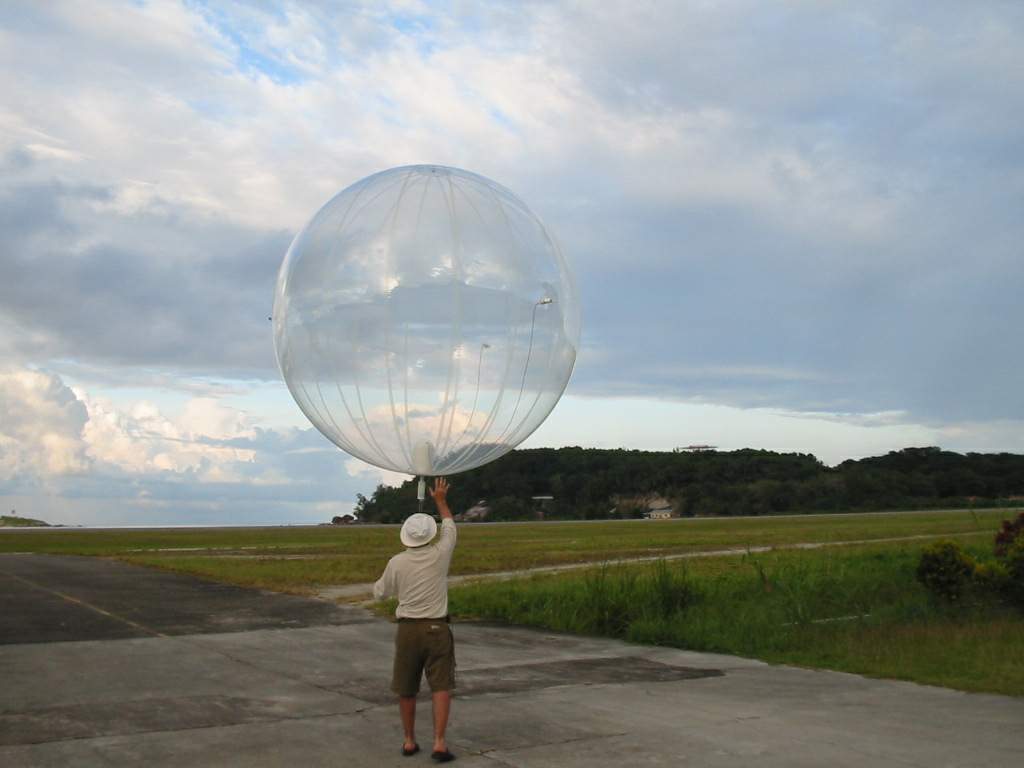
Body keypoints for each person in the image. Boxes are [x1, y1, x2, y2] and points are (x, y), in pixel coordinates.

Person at [373, 477, 458, 763]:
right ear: (429, 534)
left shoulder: (397, 562)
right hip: (437, 628)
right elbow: (450, 528)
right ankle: (439, 743)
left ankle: (409, 741)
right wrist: (441, 501)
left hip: (408, 630)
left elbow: (380, 593)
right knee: (441, 686)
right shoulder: (440, 554)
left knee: (406, 688)